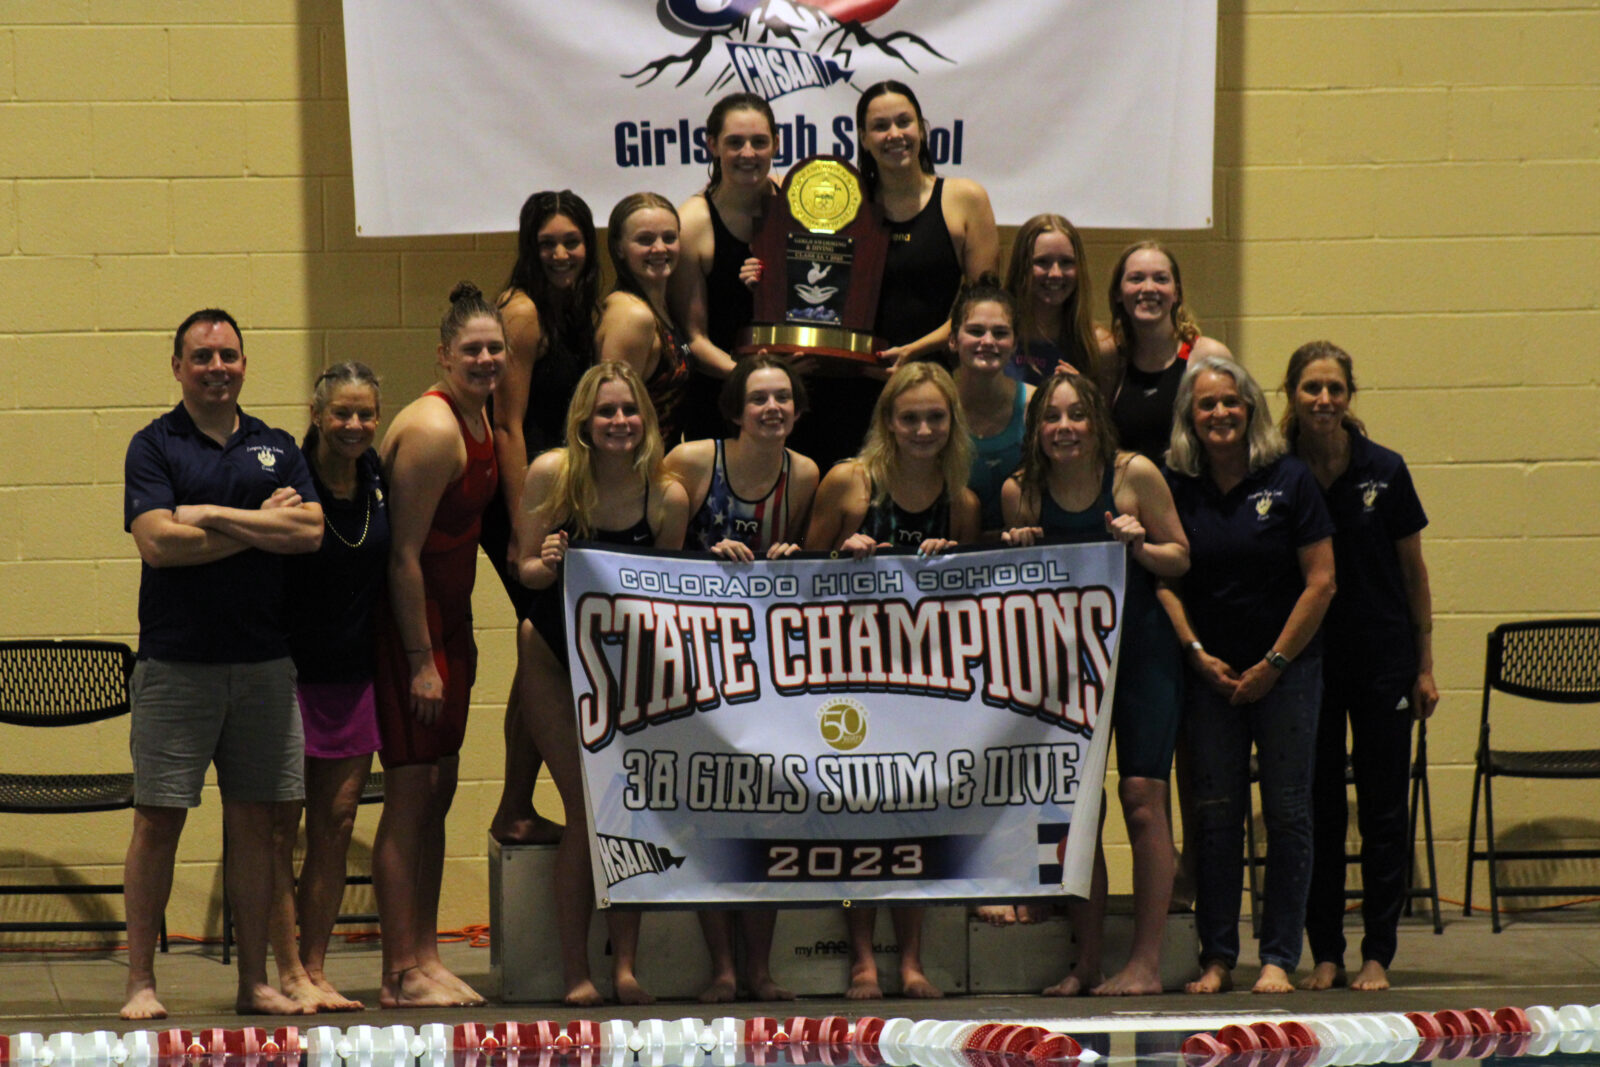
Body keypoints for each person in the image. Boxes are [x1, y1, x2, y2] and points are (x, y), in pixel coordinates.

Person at [121, 308, 324, 1020]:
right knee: (158, 822)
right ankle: (141, 980)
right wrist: (256, 526)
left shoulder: (275, 445)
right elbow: (159, 545)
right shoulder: (153, 446)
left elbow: (308, 531)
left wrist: (204, 512)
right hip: (178, 665)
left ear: (244, 364)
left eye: (228, 355)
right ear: (177, 366)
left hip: (265, 664)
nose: (216, 367)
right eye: (201, 356)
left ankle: (253, 983)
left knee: (261, 826)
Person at [999, 371, 1190, 995]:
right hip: (1067, 663)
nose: (1064, 428)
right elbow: (1014, 589)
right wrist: (1017, 548)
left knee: (1141, 796)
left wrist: (1141, 546)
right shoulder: (1021, 491)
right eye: (1051, 418)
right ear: (1036, 431)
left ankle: (1146, 963)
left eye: (1077, 415)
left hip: (1139, 651)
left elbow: (1181, 556)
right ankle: (1087, 963)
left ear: (1096, 422)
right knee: (1079, 808)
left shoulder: (1133, 474)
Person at [1159, 355, 1336, 995]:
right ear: (1190, 417)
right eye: (1206, 404)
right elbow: (1163, 583)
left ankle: (1279, 957)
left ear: (1250, 408)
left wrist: (1274, 663)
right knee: (1214, 818)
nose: (1220, 413)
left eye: (1230, 402)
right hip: (1212, 679)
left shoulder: (1288, 479)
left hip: (1286, 674)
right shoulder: (1177, 485)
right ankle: (1217, 958)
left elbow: (1322, 583)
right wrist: (1195, 651)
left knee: (1288, 813)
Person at [804, 361, 980, 1000]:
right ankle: (861, 960)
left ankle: (910, 959)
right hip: (849, 677)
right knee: (855, 819)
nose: (924, 429)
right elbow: (794, 579)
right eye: (911, 418)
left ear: (952, 423)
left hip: (922, 683)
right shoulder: (850, 484)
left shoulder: (961, 503)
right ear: (888, 422)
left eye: (936, 417)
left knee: (917, 819)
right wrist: (840, 555)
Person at [517, 362, 690, 1005]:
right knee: (587, 812)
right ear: (585, 422)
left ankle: (626, 968)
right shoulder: (553, 475)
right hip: (554, 654)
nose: (619, 422)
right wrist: (548, 561)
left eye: (629, 410)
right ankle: (575, 973)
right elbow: (525, 571)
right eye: (606, 412)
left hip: (624, 665)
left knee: (628, 810)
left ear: (645, 417)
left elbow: (669, 593)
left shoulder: (665, 495)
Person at [1281, 342, 1437, 993]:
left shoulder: (1385, 469)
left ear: (1350, 395)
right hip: (1311, 667)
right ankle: (1325, 951)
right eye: (1312, 387)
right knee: (1318, 808)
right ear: (1291, 393)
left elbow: (1413, 572)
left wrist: (1424, 663)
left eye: (1335, 388)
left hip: (1383, 663)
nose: (1323, 399)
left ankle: (1377, 952)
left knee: (1382, 810)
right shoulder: (1278, 471)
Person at [664, 354, 817, 1003]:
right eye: (760, 398)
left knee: (767, 819)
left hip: (762, 670)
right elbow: (656, 555)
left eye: (783, 397)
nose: (773, 408)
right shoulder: (695, 462)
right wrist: (706, 556)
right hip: (696, 663)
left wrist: (791, 553)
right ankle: (722, 967)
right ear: (735, 408)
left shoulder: (803, 474)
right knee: (706, 816)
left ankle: (759, 968)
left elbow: (807, 566)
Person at [371, 283, 505, 1008]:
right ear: (443, 355)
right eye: (471, 350)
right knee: (410, 792)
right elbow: (403, 557)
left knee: (441, 787)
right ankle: (398, 970)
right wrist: (422, 658)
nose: (485, 359)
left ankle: (424, 952)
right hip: (409, 632)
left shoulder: (484, 418)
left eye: (494, 349)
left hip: (448, 625)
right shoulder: (432, 427)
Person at [484, 190, 599, 849]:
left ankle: (515, 805)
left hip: (558, 501)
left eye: (571, 241)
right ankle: (515, 804)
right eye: (547, 242)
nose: (559, 253)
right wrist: (522, 520)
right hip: (524, 501)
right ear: (529, 248)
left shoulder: (577, 309)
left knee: (545, 650)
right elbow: (507, 424)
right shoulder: (523, 312)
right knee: (542, 646)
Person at [272, 361, 389, 1013]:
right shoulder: (288, 478)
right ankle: (287, 971)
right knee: (280, 829)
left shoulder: (379, 479)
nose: (353, 424)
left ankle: (315, 967)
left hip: (353, 675)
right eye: (341, 413)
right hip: (287, 673)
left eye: (365, 413)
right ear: (316, 415)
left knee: (336, 823)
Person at [671, 92, 781, 443]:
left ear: (776, 144)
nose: (748, 153)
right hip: (723, 402)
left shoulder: (796, 203)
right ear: (712, 145)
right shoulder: (692, 224)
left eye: (759, 142)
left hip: (789, 398)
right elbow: (694, 340)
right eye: (735, 142)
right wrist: (758, 382)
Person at [1107, 241, 1231, 463]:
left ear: (1177, 294)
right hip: (1130, 495)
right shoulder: (1112, 362)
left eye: (1161, 279)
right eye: (1136, 278)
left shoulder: (1206, 356)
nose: (1148, 288)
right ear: (1118, 292)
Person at [598, 192, 692, 446]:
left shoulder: (661, 306)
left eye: (669, 238)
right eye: (645, 240)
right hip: (635, 473)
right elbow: (612, 417)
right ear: (619, 248)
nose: (660, 248)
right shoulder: (632, 315)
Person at [948, 278, 1032, 539]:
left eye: (1000, 333)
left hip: (1020, 550)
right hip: (945, 550)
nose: (988, 341)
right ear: (953, 340)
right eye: (975, 331)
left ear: (1015, 343)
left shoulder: (1035, 405)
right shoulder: (932, 405)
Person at [1003, 214, 1115, 389]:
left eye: (1066, 262)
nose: (1055, 273)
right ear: (1021, 267)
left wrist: (1082, 395)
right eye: (1042, 262)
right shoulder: (994, 338)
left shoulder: (1098, 347)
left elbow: (1105, 416)